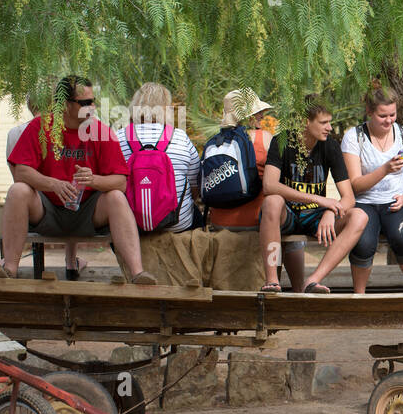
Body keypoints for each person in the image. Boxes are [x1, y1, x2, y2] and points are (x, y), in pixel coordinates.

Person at [0, 75, 154, 284]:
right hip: (46, 210)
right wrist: (53, 184)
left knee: (115, 197)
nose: (93, 107)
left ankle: (137, 274)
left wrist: (93, 180)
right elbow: (21, 172)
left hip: (88, 212)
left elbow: (120, 183)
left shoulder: (101, 132)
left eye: (93, 101)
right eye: (86, 103)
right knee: (18, 191)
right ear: (66, 105)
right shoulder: (40, 127)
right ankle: (9, 269)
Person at [259, 100, 364, 293]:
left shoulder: (330, 146)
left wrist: (330, 212)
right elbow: (269, 185)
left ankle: (313, 280)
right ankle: (272, 281)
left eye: (329, 122)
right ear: (305, 121)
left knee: (359, 216)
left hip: (315, 217)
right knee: (272, 201)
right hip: (287, 214)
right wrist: (319, 200)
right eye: (323, 122)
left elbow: (349, 198)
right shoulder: (282, 141)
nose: (329, 128)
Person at [208, 91, 305, 289]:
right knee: (288, 226)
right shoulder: (265, 138)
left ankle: (275, 283)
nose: (261, 116)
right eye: (256, 113)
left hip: (220, 222)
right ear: (246, 117)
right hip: (255, 220)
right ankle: (298, 288)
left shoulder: (215, 142)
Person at [340, 82, 403, 293]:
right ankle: (359, 295)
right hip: (365, 202)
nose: (389, 120)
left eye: (392, 115)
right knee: (364, 243)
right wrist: (384, 169)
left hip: (396, 200)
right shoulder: (354, 137)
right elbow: (355, 185)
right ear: (369, 112)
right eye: (382, 116)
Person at [7, 89, 81, 278]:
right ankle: (71, 261)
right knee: (71, 191)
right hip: (63, 204)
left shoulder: (14, 133)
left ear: (30, 105)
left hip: (29, 204)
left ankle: (9, 266)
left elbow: (16, 174)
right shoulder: (66, 130)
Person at [116, 82, 201, 232]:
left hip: (133, 227)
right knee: (198, 216)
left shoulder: (119, 137)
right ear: (166, 109)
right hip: (177, 224)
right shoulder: (180, 137)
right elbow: (195, 186)